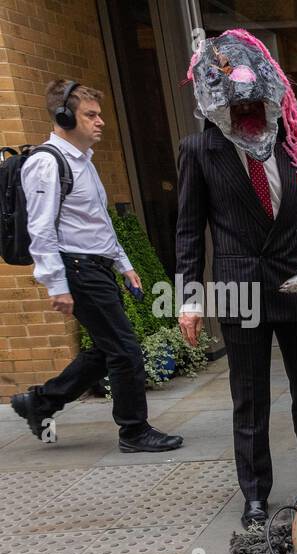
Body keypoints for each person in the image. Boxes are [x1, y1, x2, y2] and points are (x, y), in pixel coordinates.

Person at [175, 30, 297, 528]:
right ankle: (255, 494)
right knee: (249, 400)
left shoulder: (293, 147)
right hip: (237, 289)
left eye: (254, 103)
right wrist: (188, 299)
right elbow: (188, 232)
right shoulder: (199, 150)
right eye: (238, 106)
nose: (247, 113)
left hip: (296, 282)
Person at [9, 80, 183, 453]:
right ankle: (134, 431)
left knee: (107, 348)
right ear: (64, 116)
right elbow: (40, 229)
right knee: (124, 350)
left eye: (99, 114)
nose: (100, 122)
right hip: (76, 269)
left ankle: (40, 401)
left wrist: (123, 263)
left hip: (95, 266)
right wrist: (56, 283)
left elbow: (97, 222)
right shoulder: (46, 164)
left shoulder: (82, 162)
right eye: (91, 115)